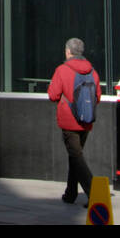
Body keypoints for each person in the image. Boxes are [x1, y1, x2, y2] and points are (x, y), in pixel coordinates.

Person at [48, 36, 101, 206]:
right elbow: (97, 96)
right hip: (86, 120)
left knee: (76, 156)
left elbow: (53, 95)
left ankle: (95, 193)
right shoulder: (93, 71)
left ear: (68, 51)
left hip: (69, 121)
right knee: (74, 156)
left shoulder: (62, 70)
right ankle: (70, 193)